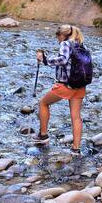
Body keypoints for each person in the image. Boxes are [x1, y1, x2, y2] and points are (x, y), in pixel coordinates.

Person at [36, 24, 88, 153]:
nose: (57, 40)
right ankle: (76, 149)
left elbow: (63, 60)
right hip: (80, 86)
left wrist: (45, 60)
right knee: (76, 116)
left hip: (66, 86)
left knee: (43, 103)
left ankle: (43, 136)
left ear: (62, 35)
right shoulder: (81, 45)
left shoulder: (65, 44)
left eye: (58, 37)